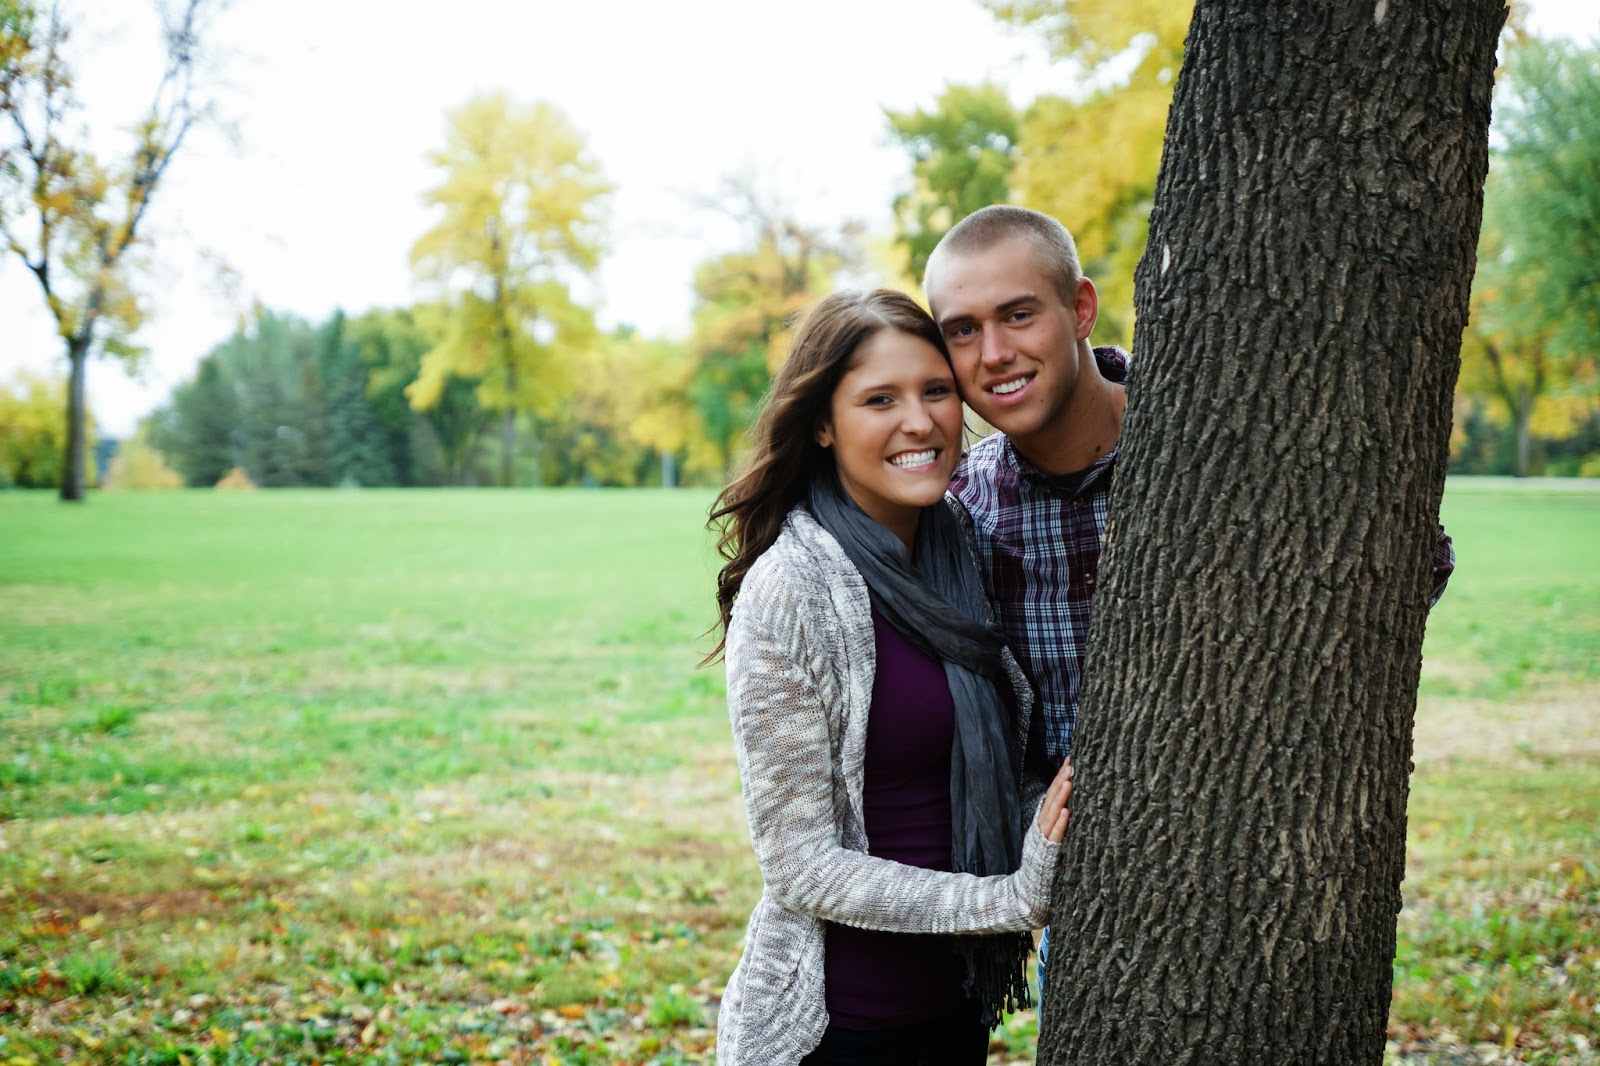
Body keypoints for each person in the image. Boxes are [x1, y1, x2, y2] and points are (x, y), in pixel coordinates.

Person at [922, 203, 1456, 978]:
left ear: (1079, 309)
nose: (994, 353)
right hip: (1091, 909)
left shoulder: (1210, 443)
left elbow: (1408, 563)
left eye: (1018, 315)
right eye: (962, 330)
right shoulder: (967, 509)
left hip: (1271, 878)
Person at [707, 288, 1074, 1066]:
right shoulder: (793, 588)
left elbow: (994, 762)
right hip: (844, 1029)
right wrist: (1007, 902)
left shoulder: (961, 550)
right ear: (822, 425)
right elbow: (801, 866)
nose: (920, 421)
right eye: (881, 399)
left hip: (956, 1013)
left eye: (935, 391)